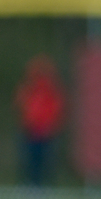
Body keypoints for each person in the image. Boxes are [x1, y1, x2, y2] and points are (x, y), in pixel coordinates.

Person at [14, 55, 65, 187]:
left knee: (44, 161)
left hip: (45, 131)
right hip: (31, 131)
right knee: (31, 160)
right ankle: (32, 184)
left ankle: (42, 185)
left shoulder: (50, 89)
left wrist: (49, 125)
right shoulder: (29, 88)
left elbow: (56, 109)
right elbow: (21, 105)